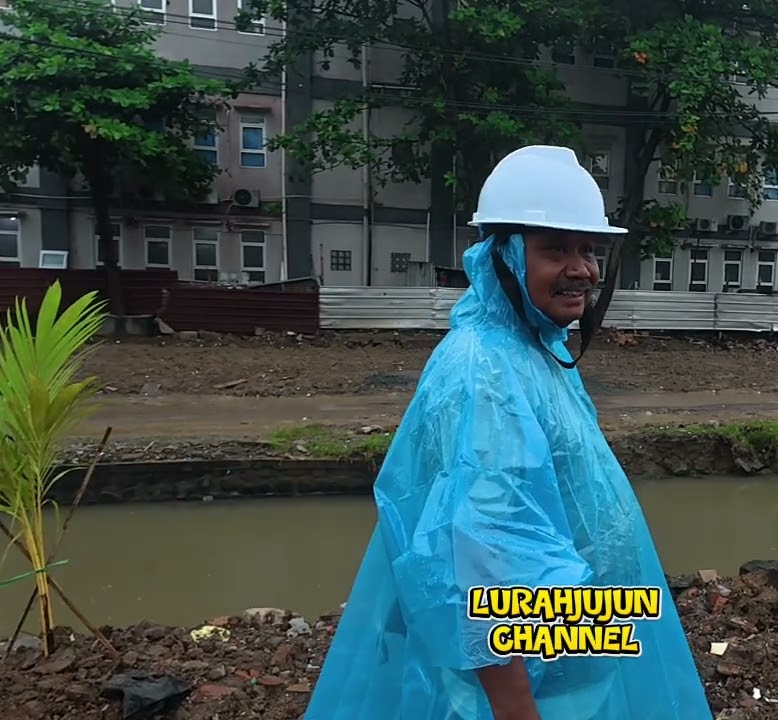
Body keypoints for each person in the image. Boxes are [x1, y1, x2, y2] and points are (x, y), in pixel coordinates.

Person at [302, 145, 713, 720]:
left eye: (588, 249)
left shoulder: (534, 350)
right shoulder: (484, 371)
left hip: (569, 652)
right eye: (555, 250)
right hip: (526, 686)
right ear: (505, 257)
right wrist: (515, 706)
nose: (582, 269)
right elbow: (479, 551)